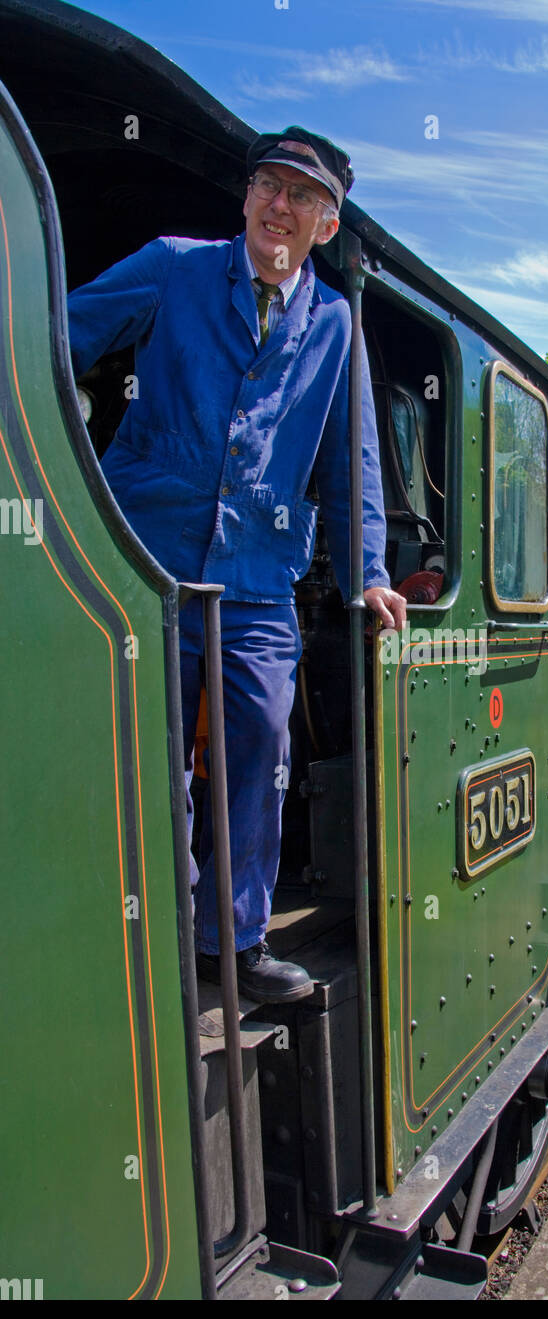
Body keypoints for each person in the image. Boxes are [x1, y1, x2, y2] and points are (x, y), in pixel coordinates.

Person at [67, 126, 406, 1002]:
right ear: (247, 196)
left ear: (326, 227)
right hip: (147, 557)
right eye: (269, 186)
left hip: (259, 577)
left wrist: (368, 569)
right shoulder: (173, 266)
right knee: (149, 752)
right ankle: (150, 933)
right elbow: (56, 336)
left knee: (259, 754)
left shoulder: (336, 324)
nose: (279, 206)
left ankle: (235, 943)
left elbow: (351, 462)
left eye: (301, 197)